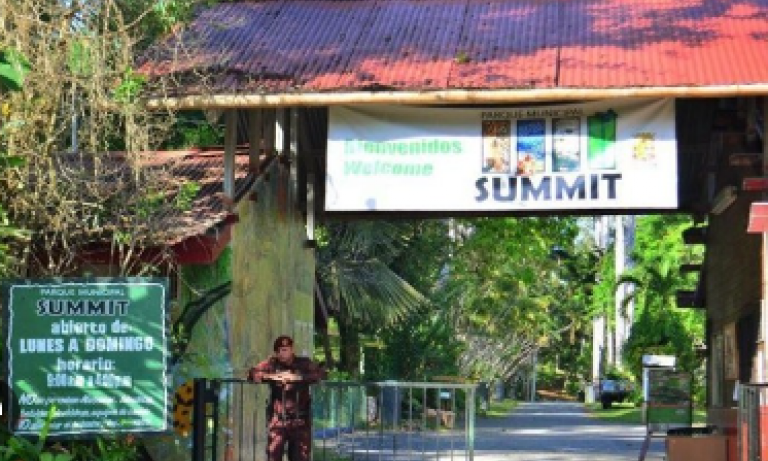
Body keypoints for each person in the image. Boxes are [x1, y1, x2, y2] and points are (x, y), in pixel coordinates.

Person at [248, 335, 326, 461]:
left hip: (300, 420)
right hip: (278, 420)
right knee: (273, 455)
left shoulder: (303, 363)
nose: (281, 354)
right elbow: (252, 373)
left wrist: (297, 378)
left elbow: (320, 374)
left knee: (300, 457)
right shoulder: (272, 363)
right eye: (278, 351)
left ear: (291, 349)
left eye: (285, 350)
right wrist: (274, 377)